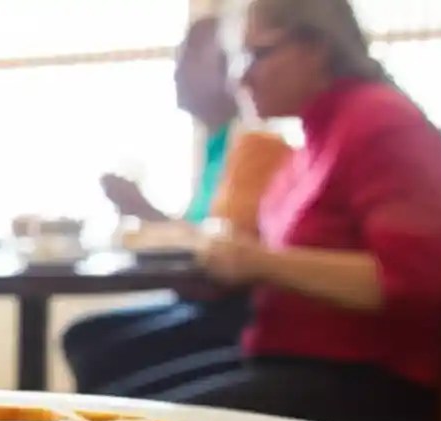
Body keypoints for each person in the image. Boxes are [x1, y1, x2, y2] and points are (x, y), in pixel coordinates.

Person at [131, 0, 441, 421]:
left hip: (370, 383)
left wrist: (261, 262)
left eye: (259, 53)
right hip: (292, 358)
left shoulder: (381, 122)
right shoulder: (314, 136)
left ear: (317, 47)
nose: (242, 76)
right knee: (119, 398)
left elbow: (412, 281)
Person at [62, 15, 292, 395]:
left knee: (98, 353)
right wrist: (143, 211)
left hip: (232, 315)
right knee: (85, 338)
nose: (176, 75)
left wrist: (146, 212)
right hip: (205, 302)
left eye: (188, 60)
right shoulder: (215, 144)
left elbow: (225, 250)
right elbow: (205, 234)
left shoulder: (260, 145)